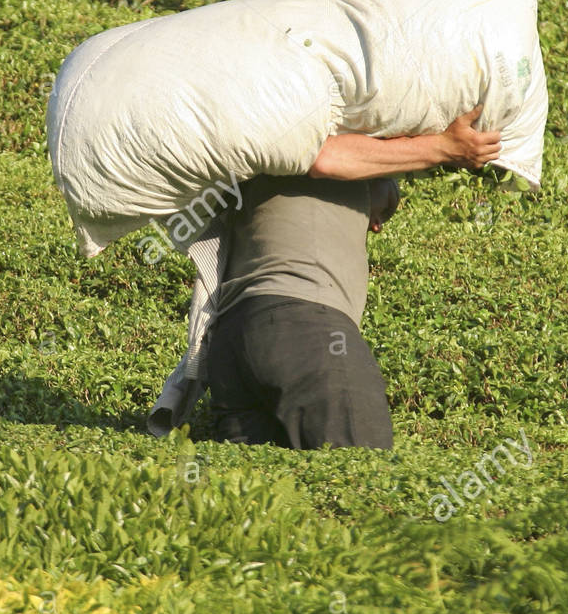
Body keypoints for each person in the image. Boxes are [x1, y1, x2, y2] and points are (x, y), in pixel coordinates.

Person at [203, 104, 500, 449]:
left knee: (264, 495)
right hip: (303, 329)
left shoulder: (257, 135)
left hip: (233, 340)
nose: (376, 223)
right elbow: (325, 157)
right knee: (361, 478)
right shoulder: (313, 125)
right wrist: (445, 148)